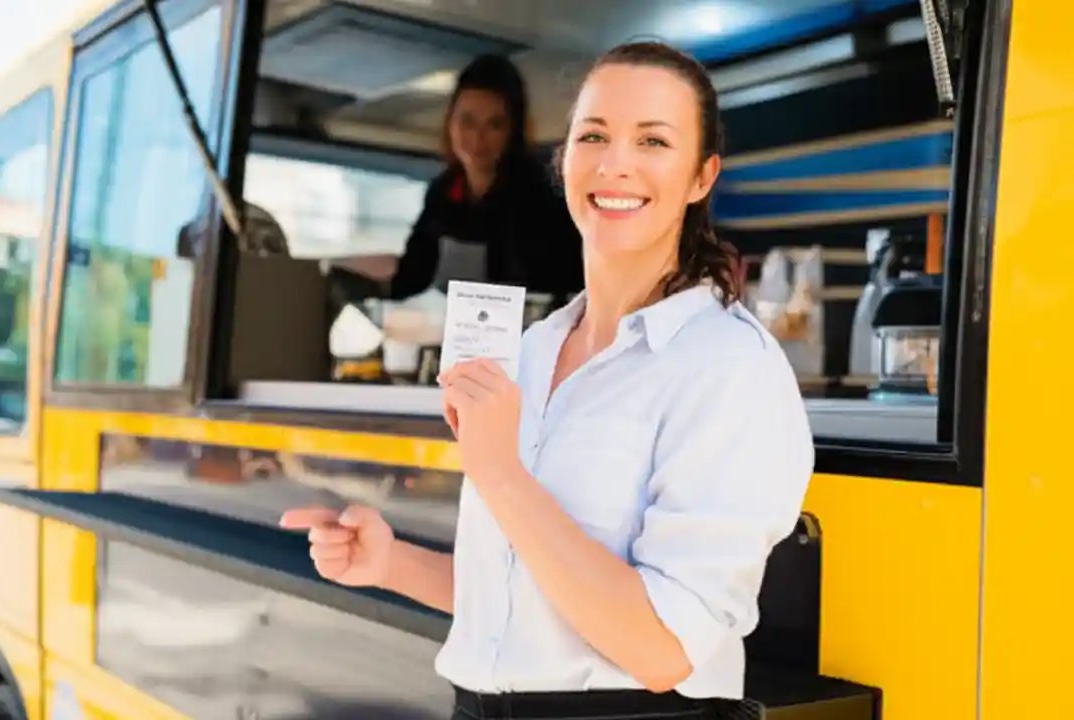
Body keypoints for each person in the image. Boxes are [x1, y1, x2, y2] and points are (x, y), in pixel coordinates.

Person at [281, 41, 813, 720]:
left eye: (653, 140)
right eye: (594, 135)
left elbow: (662, 649)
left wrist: (500, 471)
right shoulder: (530, 351)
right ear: (564, 159)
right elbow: (533, 594)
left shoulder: (731, 368)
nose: (616, 162)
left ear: (701, 176)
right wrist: (390, 565)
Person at [367, 53, 584, 301]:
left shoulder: (542, 196)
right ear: (450, 122)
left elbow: (557, 286)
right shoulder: (442, 193)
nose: (477, 138)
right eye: (467, 121)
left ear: (512, 132)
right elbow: (412, 277)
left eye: (494, 125)